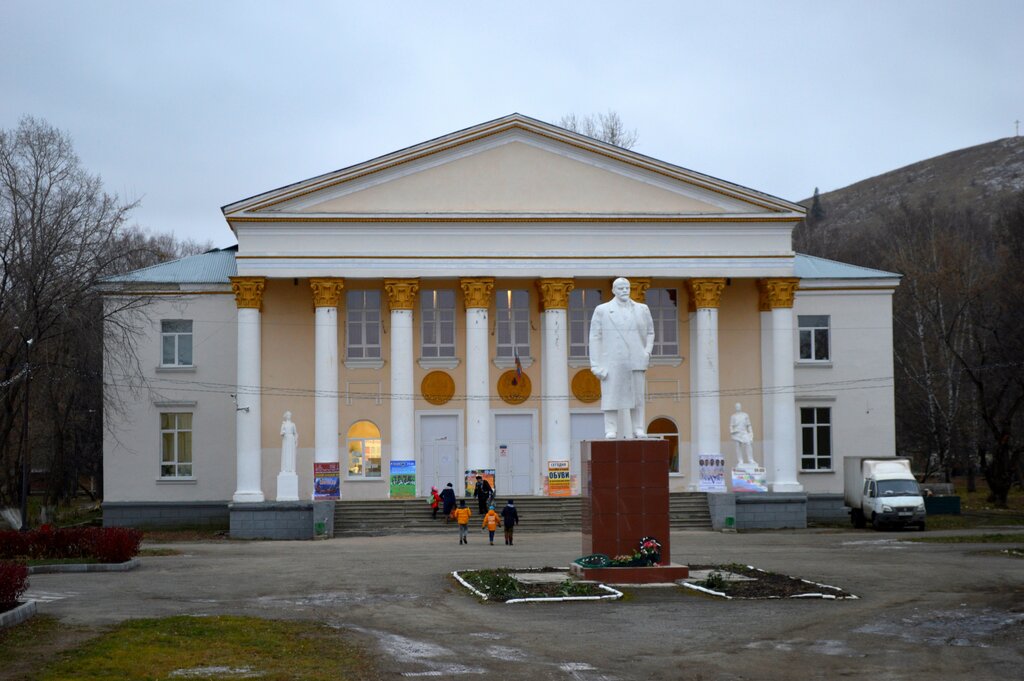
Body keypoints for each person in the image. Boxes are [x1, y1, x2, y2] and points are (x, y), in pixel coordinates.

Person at [589, 278, 655, 439]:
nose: (625, 291)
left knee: (637, 397)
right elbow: (595, 338)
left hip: (636, 358)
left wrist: (647, 352)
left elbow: (650, 332)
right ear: (613, 290)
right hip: (613, 360)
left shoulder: (642, 309)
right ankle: (611, 429)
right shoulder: (602, 310)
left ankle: (638, 428)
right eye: (620, 288)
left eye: (627, 288)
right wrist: (596, 365)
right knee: (611, 396)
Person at [729, 403, 757, 467]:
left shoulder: (745, 415)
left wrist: (751, 433)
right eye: (736, 406)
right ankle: (740, 461)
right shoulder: (733, 416)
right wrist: (732, 431)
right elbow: (731, 426)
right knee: (738, 446)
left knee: (748, 444)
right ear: (735, 407)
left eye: (738, 406)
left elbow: (749, 425)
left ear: (741, 407)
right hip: (736, 433)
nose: (738, 407)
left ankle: (750, 459)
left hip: (744, 432)